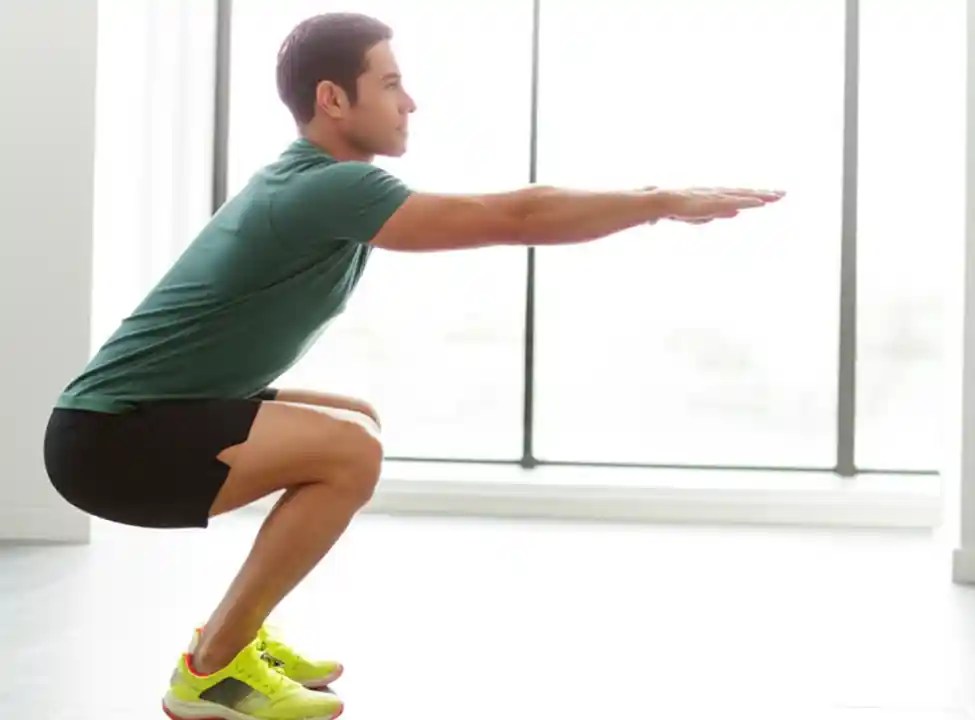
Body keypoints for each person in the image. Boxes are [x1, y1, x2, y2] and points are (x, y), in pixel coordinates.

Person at [43, 11, 783, 720]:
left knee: (354, 423)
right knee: (348, 454)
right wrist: (657, 201)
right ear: (333, 99)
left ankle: (231, 632)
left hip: (125, 423)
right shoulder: (330, 185)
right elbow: (515, 216)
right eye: (391, 84)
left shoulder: (309, 182)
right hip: (110, 441)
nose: (411, 103)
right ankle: (211, 676)